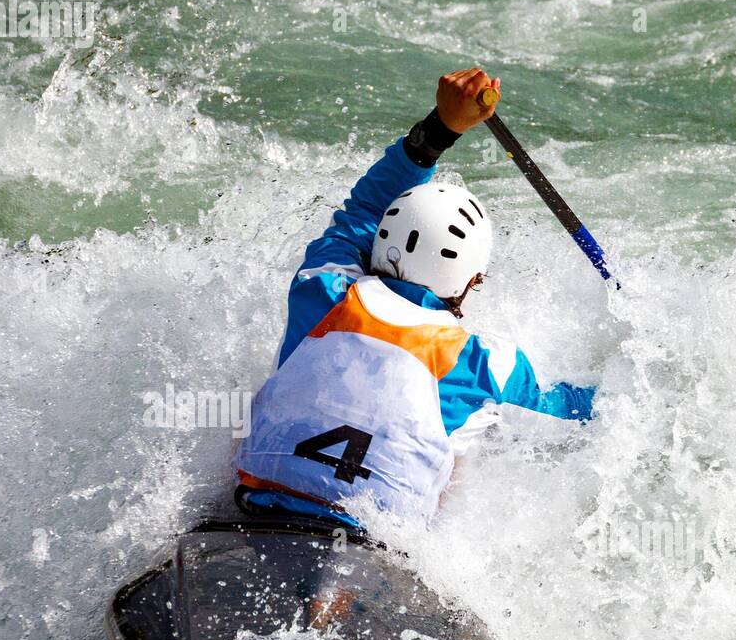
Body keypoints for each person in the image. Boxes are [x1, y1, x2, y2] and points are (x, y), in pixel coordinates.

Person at [234, 67, 594, 533]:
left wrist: (441, 128)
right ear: (473, 280)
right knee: (470, 444)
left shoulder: (322, 289)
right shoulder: (486, 364)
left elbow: (361, 212)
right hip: (375, 547)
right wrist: (655, 371)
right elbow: (579, 416)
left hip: (253, 509)